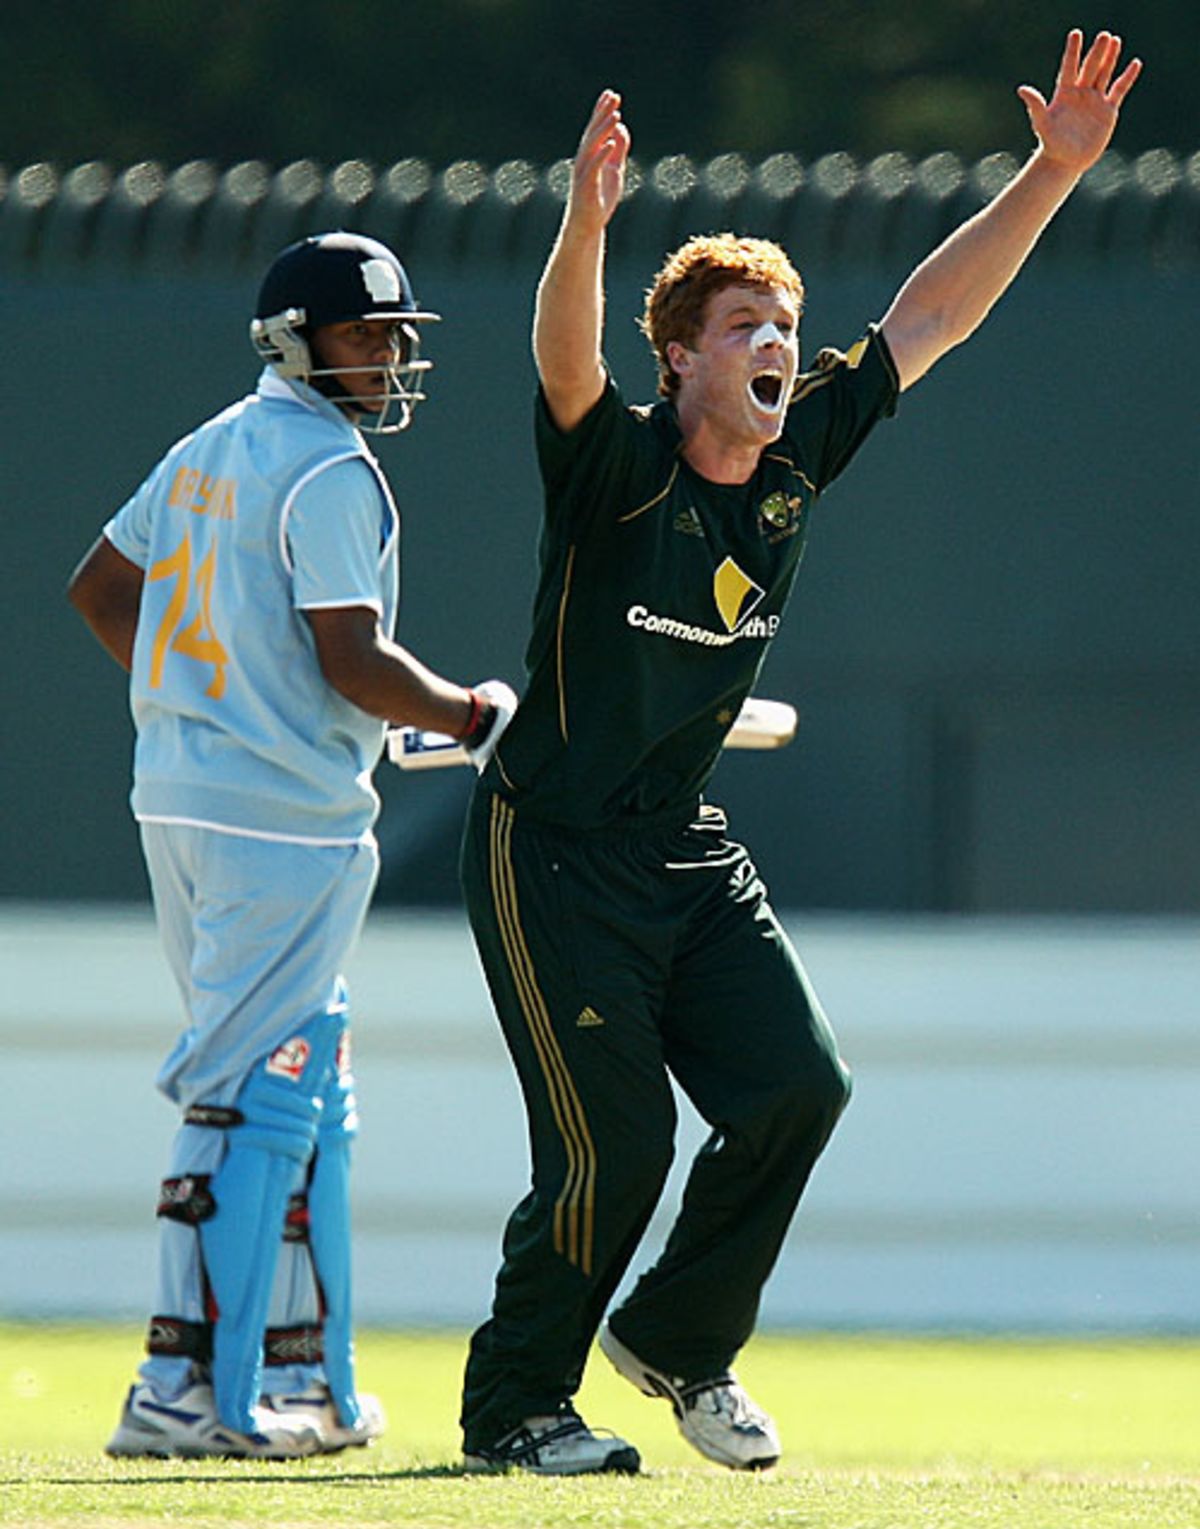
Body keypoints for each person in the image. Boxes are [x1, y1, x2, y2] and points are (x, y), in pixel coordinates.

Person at [456, 29, 1141, 1476]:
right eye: (746, 331)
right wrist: (584, 224)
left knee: (797, 1088)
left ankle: (678, 1343)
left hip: (680, 844)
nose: (778, 347)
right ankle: (518, 1406)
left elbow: (929, 316)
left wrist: (1052, 173)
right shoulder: (616, 467)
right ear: (682, 359)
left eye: (786, 326)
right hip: (553, 849)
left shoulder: (793, 462)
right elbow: (563, 358)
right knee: (616, 1146)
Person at [68, 231, 515, 1460]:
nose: (384, 357)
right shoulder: (330, 469)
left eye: (393, 338)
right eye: (363, 336)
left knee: (304, 1082)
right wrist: (477, 714)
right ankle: (182, 1393)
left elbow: (103, 591)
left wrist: (213, 710)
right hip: (278, 822)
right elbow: (354, 661)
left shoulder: (209, 448)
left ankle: (307, 1379)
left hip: (185, 798)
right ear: (293, 340)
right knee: (242, 1088)